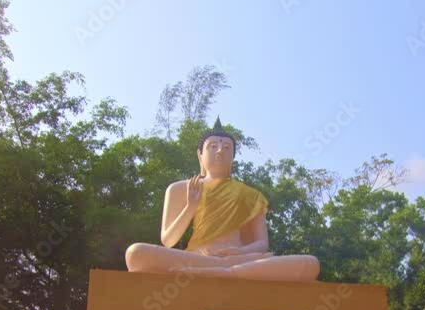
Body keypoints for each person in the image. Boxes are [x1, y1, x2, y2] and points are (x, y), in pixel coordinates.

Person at [124, 118, 320, 281]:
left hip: (240, 259)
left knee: (310, 264)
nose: (220, 151)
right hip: (197, 258)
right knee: (136, 254)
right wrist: (191, 206)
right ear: (200, 155)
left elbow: (262, 244)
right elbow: (168, 241)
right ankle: (226, 271)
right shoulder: (180, 189)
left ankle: (227, 271)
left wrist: (238, 253)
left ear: (233, 157)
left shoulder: (249, 194)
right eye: (213, 146)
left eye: (227, 147)